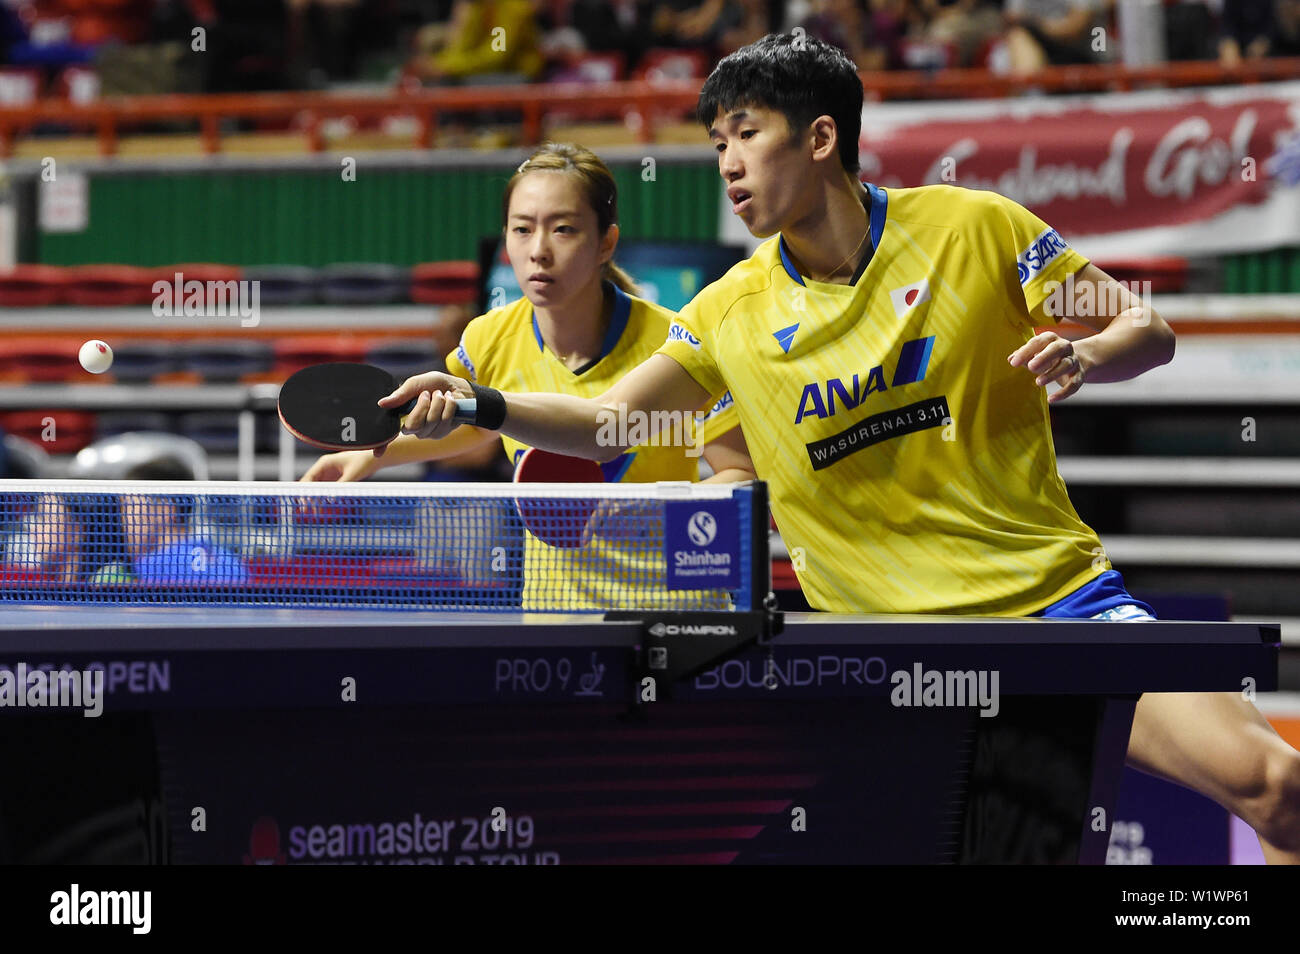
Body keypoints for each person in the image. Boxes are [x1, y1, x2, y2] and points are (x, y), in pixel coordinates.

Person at [383, 33, 1300, 862]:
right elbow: (608, 424)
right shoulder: (728, 313)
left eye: (746, 135)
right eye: (716, 146)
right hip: (890, 656)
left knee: (1280, 789)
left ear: (821, 139)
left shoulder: (979, 229)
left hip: (1053, 606)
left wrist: (1088, 351)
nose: (729, 165)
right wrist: (486, 402)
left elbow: (1146, 326)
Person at [303, 141, 750, 610]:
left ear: (606, 244)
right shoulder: (486, 339)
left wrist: (660, 511)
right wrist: (373, 457)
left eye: (563, 229)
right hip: (555, 616)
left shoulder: (677, 342)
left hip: (675, 613)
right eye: (522, 229)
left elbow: (740, 477)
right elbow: (477, 426)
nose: (538, 251)